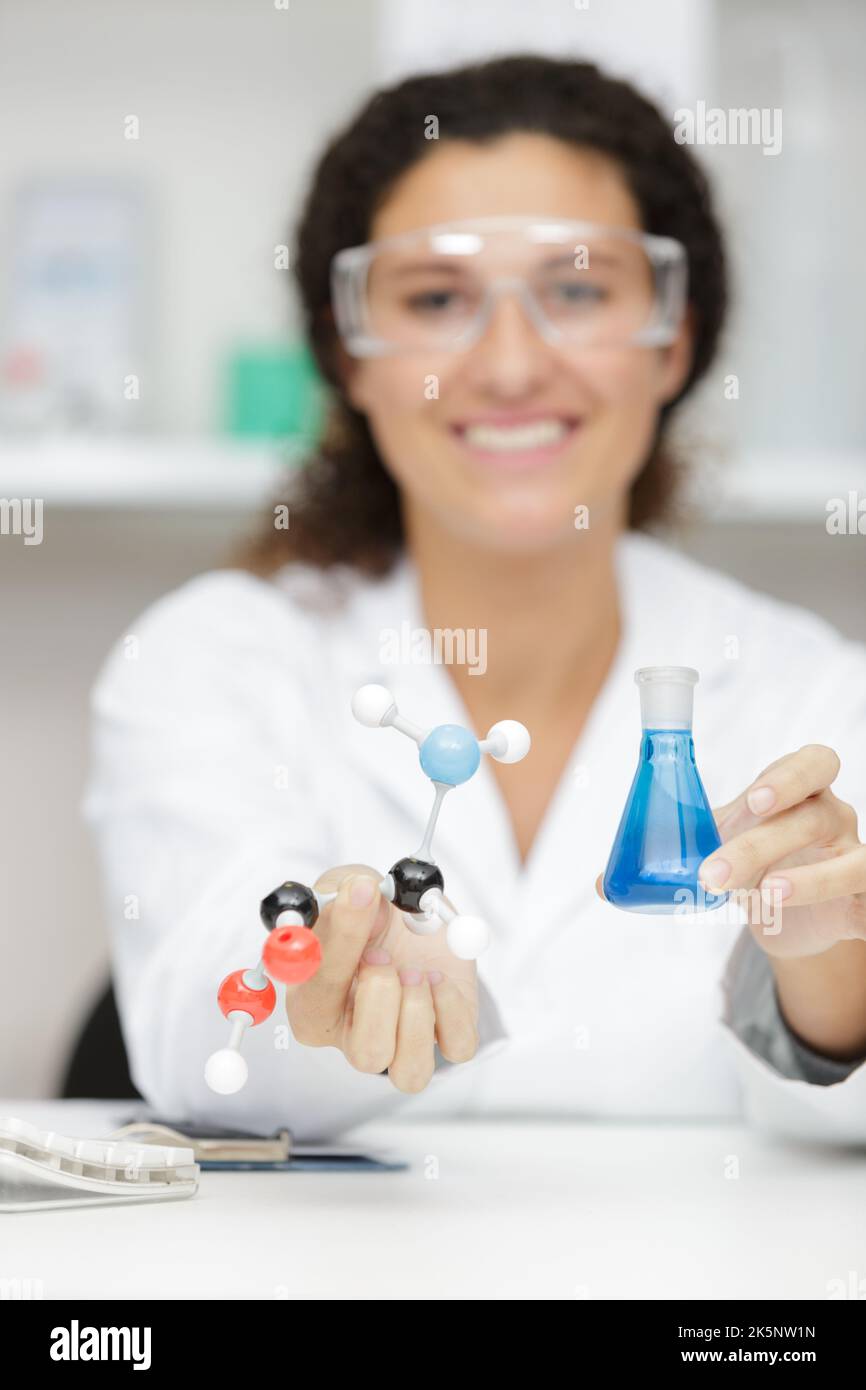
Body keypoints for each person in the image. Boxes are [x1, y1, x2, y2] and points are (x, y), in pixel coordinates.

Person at [83, 55, 866, 1142]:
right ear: (349, 353)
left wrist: (829, 981)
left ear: (672, 339)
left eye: (579, 289)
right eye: (437, 297)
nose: (506, 364)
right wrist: (328, 977)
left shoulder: (814, 699)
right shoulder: (207, 660)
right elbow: (195, 1031)